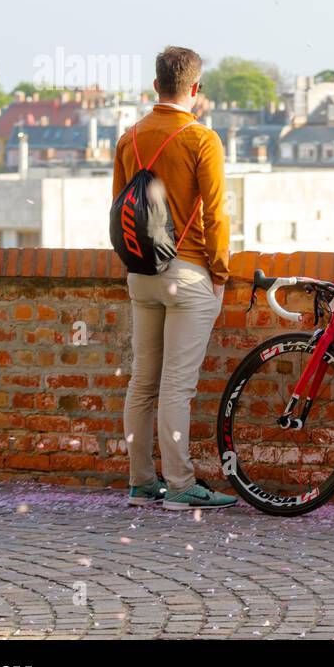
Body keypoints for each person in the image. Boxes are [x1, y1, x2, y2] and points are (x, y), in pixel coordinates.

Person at [111, 46, 237, 510]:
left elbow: (119, 208)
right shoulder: (201, 139)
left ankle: (141, 482)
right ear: (195, 89)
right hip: (187, 275)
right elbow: (216, 215)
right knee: (177, 386)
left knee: (143, 381)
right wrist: (220, 274)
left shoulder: (130, 138)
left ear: (156, 85)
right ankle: (181, 486)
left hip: (141, 273)